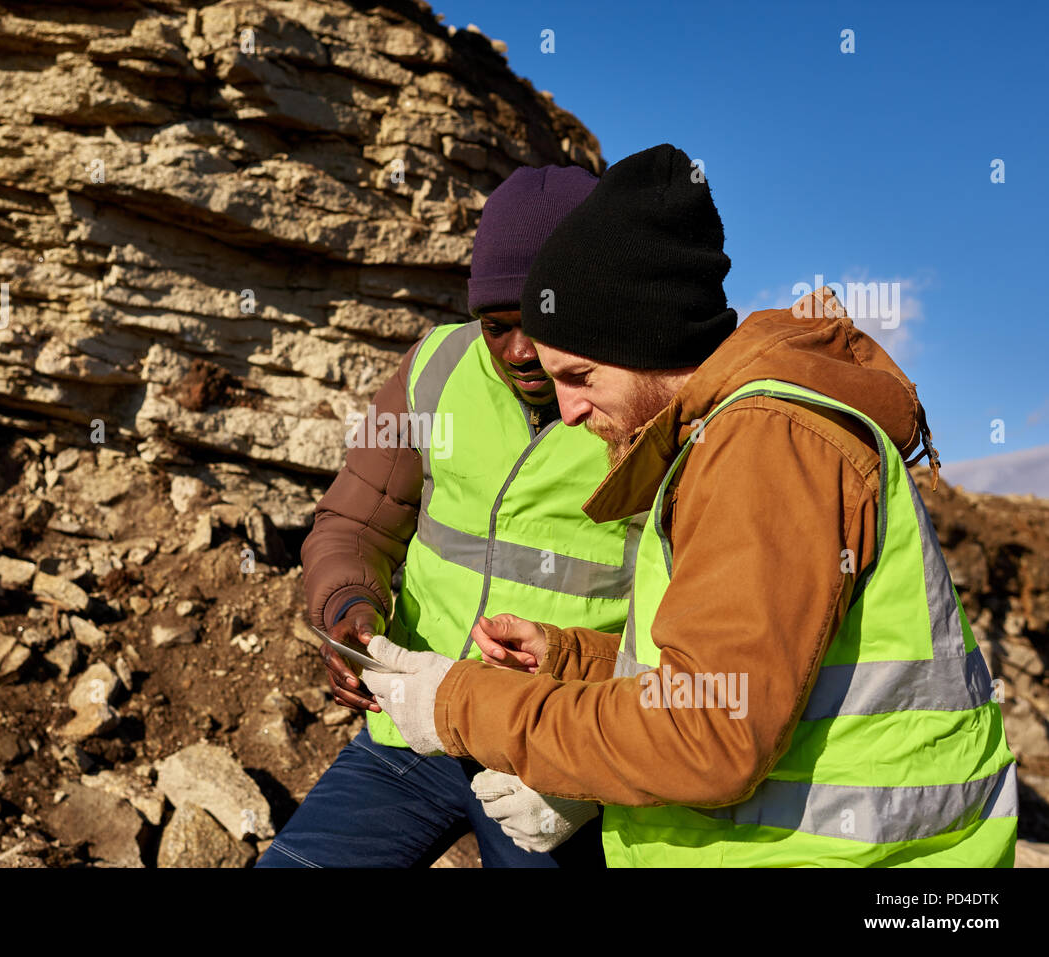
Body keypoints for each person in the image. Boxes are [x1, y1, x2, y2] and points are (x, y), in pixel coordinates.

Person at [362, 143, 1019, 867]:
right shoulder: (726, 441)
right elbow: (744, 676)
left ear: (646, 336)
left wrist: (459, 704)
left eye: (579, 375)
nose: (570, 411)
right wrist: (573, 659)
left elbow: (712, 731)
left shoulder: (767, 445)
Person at [256, 165, 642, 868]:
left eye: (541, 323)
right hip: (412, 725)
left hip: (547, 758)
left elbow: (684, 635)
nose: (521, 352)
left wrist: (597, 771)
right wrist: (349, 608)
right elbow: (354, 526)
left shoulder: (641, 405)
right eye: (497, 326)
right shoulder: (433, 368)